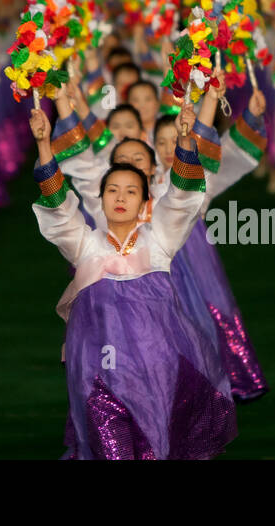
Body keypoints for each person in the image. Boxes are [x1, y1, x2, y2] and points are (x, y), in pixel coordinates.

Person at [31, 99, 237, 459]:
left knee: (157, 445)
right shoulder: (85, 245)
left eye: (130, 191)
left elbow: (182, 198)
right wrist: (43, 144)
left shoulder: (158, 241)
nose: (121, 198)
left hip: (158, 369)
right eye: (112, 191)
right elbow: (61, 208)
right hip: (99, 371)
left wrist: (186, 140)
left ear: (145, 203)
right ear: (101, 199)